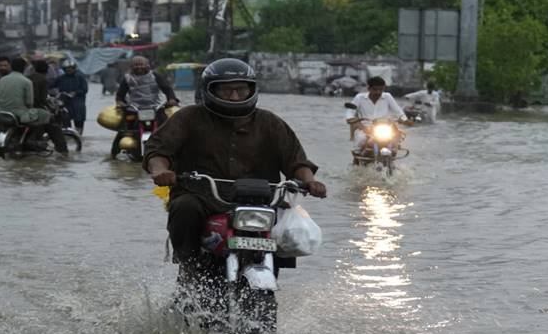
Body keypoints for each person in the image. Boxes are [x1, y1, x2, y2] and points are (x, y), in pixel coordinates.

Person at [144, 58, 327, 283]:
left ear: (251, 89)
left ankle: (270, 268)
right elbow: (157, 150)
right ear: (210, 90)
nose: (234, 96)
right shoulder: (188, 117)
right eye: (226, 90)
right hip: (203, 197)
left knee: (285, 222)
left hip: (259, 201)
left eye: (241, 89)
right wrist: (160, 171)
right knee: (184, 207)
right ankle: (188, 266)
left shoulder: (270, 122)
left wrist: (310, 181)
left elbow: (296, 160)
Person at [0, 57, 68, 157]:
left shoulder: (1, 80)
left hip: (0, 113)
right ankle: (33, 141)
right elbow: (29, 103)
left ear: (11, 67)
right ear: (24, 68)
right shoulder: (26, 81)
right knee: (47, 117)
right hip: (19, 114)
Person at [345, 76, 406, 150]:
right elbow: (350, 113)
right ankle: (358, 153)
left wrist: (404, 119)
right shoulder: (359, 98)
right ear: (369, 88)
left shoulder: (388, 97)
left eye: (381, 89)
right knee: (361, 139)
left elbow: (398, 111)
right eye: (375, 89)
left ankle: (392, 153)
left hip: (385, 128)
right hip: (366, 128)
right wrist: (351, 119)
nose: (378, 92)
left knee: (396, 139)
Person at [115, 55, 179, 124]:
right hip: (134, 108)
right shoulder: (127, 78)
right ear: (131, 67)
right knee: (126, 123)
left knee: (165, 123)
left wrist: (171, 99)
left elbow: (166, 88)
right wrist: (120, 102)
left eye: (141, 64)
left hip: (155, 106)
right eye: (136, 65)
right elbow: (120, 94)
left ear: (147, 65)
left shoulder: (155, 75)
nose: (139, 67)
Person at [54, 58, 89, 133]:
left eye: (71, 68)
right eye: (67, 68)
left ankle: (78, 133)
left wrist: (75, 93)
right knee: (64, 119)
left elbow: (85, 89)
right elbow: (51, 86)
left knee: (79, 120)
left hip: (78, 101)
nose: (69, 70)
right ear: (64, 69)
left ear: (74, 68)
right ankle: (67, 133)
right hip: (65, 102)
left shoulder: (80, 78)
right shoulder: (60, 78)